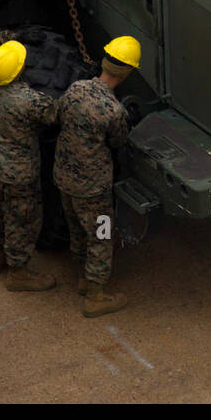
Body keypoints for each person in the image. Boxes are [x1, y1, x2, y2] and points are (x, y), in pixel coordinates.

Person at [53, 36, 138, 317]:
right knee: (101, 237)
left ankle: (83, 277)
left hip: (64, 177)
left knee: (77, 228)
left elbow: (59, 114)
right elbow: (118, 142)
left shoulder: (76, 89)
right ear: (126, 74)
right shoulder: (114, 111)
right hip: (92, 186)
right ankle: (96, 296)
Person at [0, 32, 59, 291]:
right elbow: (54, 112)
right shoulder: (27, 101)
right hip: (19, 172)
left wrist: (7, 36)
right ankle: (18, 272)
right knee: (22, 219)